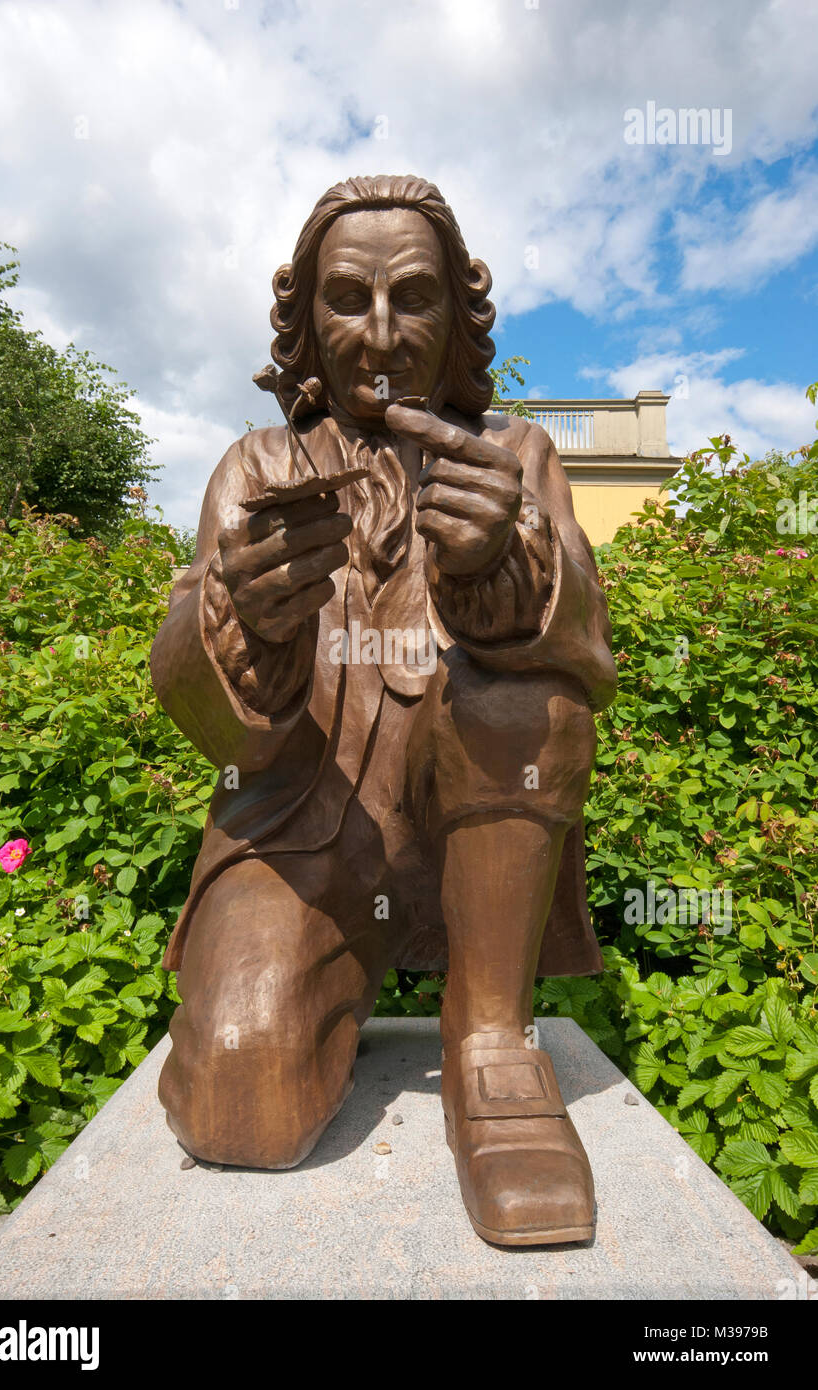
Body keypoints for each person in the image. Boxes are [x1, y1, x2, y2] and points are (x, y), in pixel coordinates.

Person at [151, 174, 617, 1246]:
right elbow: (210, 723)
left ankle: (491, 1038)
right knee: (238, 1099)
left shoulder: (514, 456)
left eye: (413, 298)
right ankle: (299, 1003)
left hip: (476, 825)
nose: (379, 333)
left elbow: (589, 657)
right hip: (301, 839)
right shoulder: (257, 468)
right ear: (305, 321)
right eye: (347, 299)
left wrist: (510, 564)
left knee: (524, 685)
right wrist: (243, 624)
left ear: (458, 319)